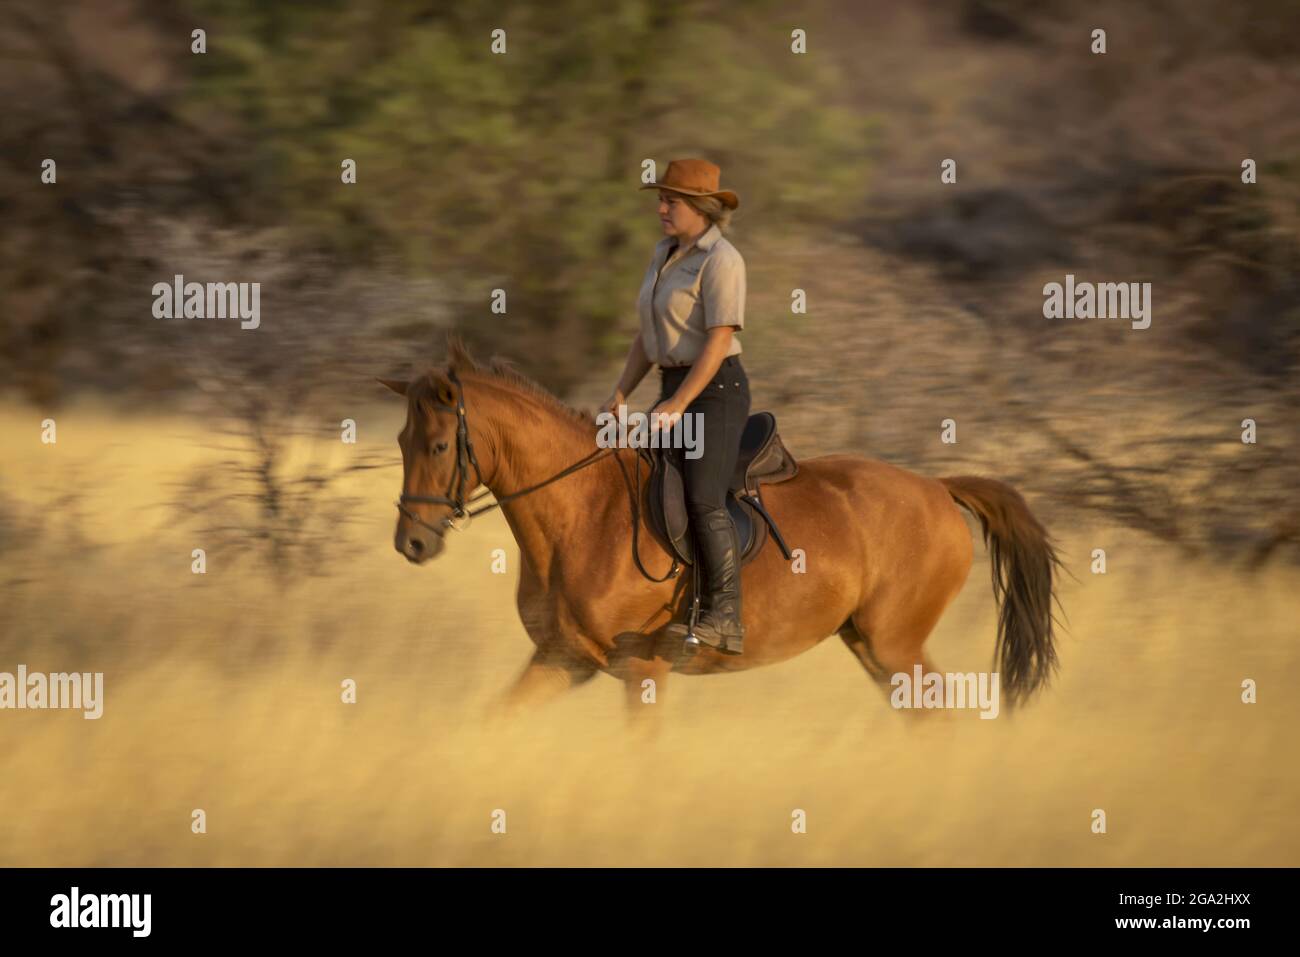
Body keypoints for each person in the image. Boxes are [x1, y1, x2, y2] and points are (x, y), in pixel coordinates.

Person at [600, 158, 750, 654]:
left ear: (703, 208)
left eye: (672, 201)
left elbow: (719, 338)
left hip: (715, 393)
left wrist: (680, 404)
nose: (662, 208)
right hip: (673, 391)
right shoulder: (663, 254)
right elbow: (647, 337)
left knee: (703, 498)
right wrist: (621, 391)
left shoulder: (722, 260)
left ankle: (725, 616)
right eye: (660, 200)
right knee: (635, 481)